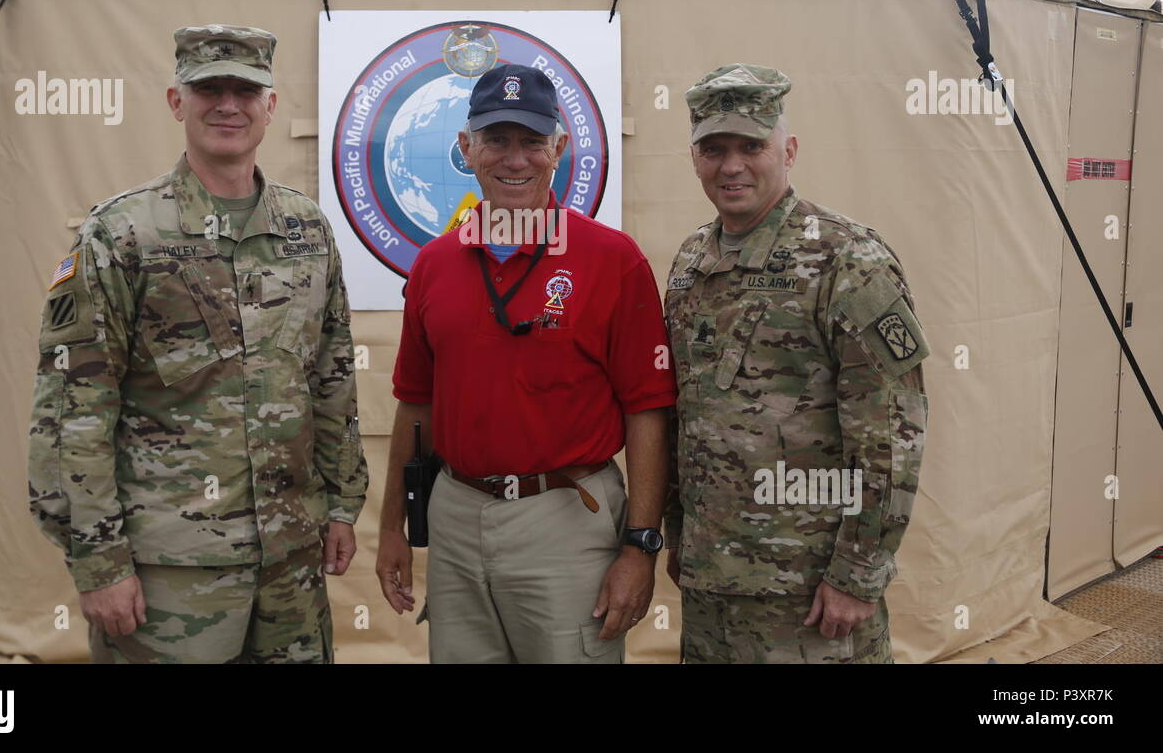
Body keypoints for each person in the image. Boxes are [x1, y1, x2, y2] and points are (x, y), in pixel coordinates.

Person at [26, 23, 366, 663]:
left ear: (271, 106)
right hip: (170, 572)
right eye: (209, 88)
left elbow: (332, 378)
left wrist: (343, 503)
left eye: (246, 89)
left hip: (290, 561)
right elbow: (74, 406)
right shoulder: (121, 234)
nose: (228, 105)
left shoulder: (306, 231)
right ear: (176, 101)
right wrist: (98, 559)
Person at [375, 63, 676, 663]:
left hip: (567, 517)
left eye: (532, 142)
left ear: (559, 148)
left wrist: (640, 547)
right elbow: (416, 404)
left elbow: (648, 410)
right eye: (497, 140)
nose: (515, 160)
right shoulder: (434, 264)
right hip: (457, 517)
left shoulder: (612, 259)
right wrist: (390, 529)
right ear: (467, 148)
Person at [663, 63, 929, 664]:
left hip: (808, 591)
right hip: (712, 581)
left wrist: (858, 572)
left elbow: (892, 432)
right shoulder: (690, 261)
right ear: (695, 158)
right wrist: (680, 537)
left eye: (751, 146)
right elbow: (687, 411)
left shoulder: (848, 259)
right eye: (714, 149)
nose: (732, 166)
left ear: (789, 149)